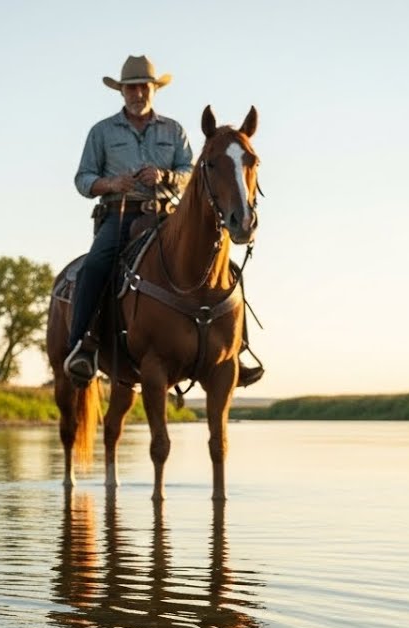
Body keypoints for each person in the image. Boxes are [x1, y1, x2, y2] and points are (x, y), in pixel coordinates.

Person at [63, 55, 264, 389]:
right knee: (94, 267)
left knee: (225, 268)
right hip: (119, 215)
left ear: (153, 90)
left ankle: (235, 350)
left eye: (144, 86)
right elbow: (83, 179)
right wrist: (112, 184)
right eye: (131, 87)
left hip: (167, 216)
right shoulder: (101, 132)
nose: (137, 93)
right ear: (122, 91)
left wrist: (166, 176)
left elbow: (191, 172)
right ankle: (83, 347)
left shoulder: (174, 130)